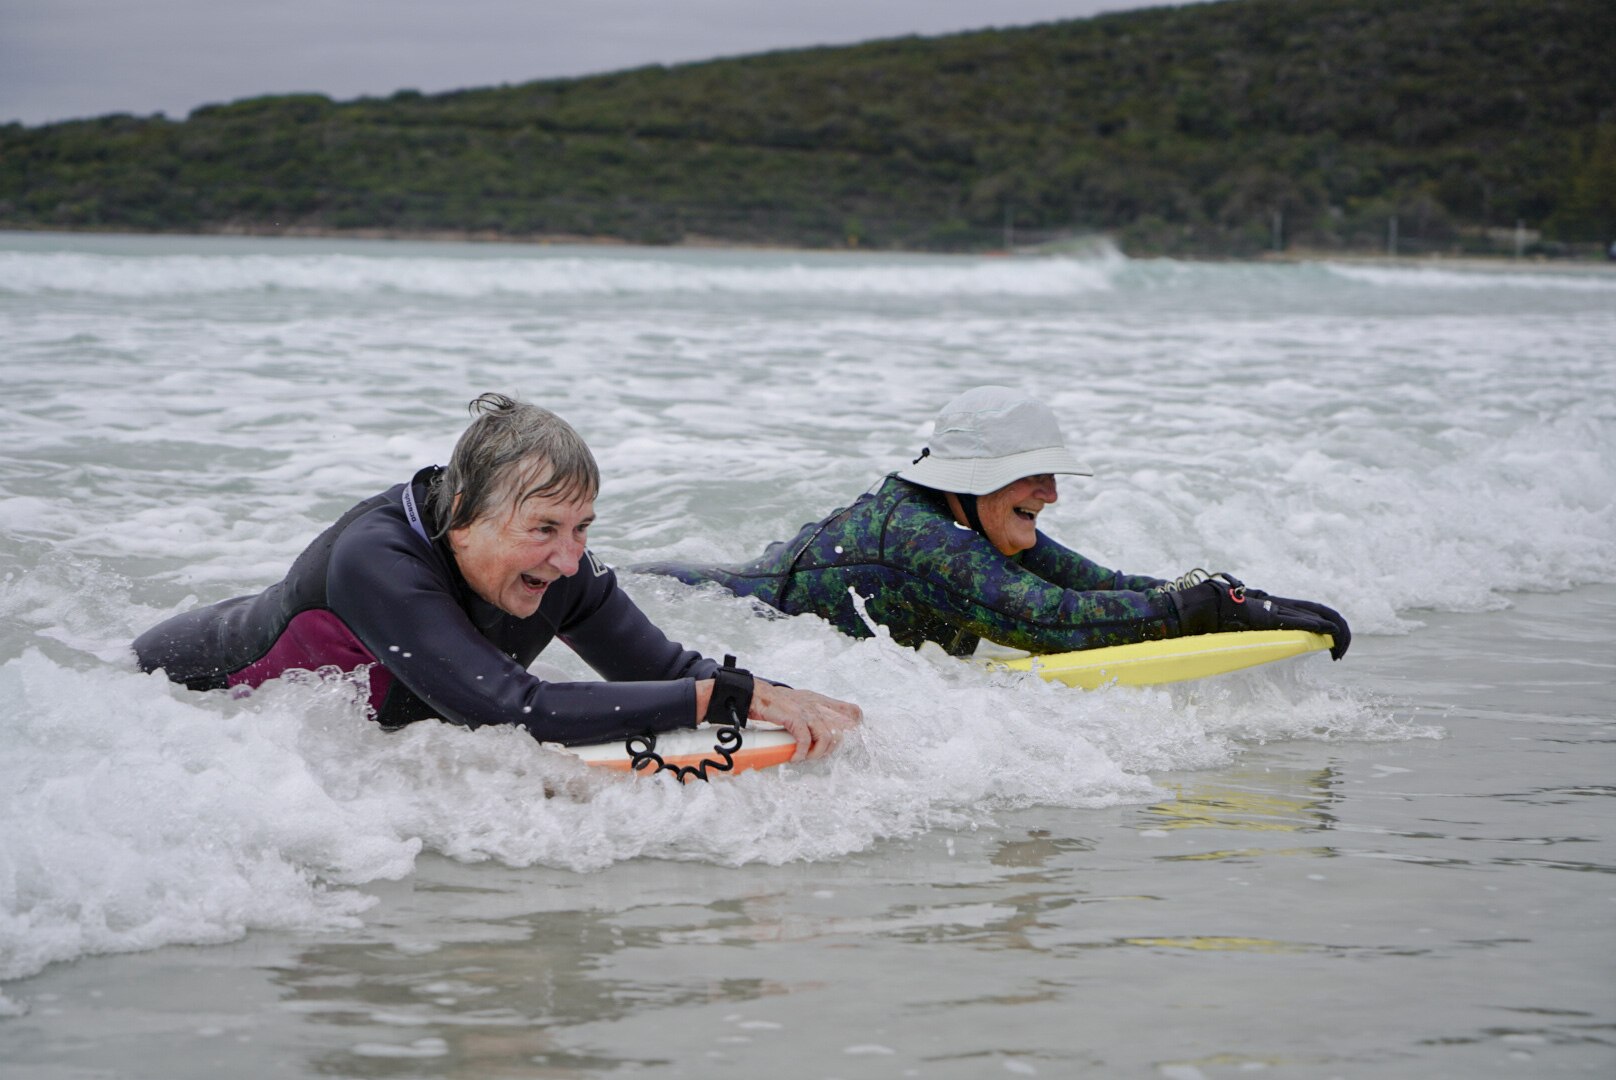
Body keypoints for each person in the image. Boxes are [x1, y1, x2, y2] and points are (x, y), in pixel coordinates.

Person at [134, 393, 861, 760]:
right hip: (176, 692)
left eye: (582, 528)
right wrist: (714, 701)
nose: (568, 559)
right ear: (462, 515)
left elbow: (667, 671)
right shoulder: (375, 563)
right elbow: (512, 709)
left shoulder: (561, 566)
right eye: (543, 528)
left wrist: (779, 699)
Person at [638, 385, 1350, 660]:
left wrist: (1229, 596)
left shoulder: (972, 521)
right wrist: (1198, 613)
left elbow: (1093, 584)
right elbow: (1049, 623)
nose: (1051, 493)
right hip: (675, 600)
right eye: (1032, 473)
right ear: (972, 476)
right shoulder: (920, 539)